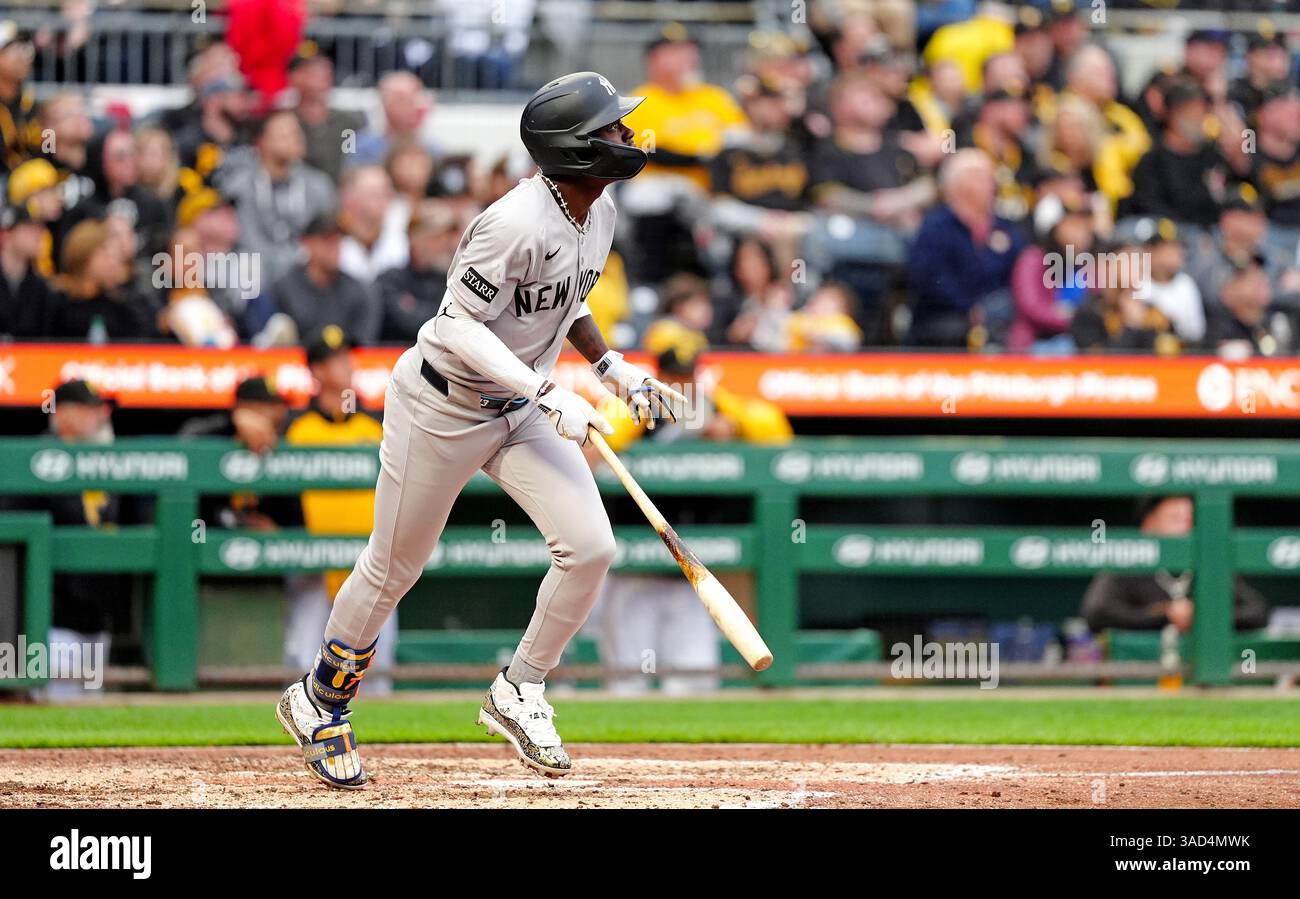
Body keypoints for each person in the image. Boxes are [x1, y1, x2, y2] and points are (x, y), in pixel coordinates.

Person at [275, 72, 686, 788]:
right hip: (444, 404)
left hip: (519, 407)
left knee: (590, 547)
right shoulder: (513, 220)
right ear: (575, 150)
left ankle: (520, 685)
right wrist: (547, 388)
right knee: (394, 566)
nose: (625, 137)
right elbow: (458, 325)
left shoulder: (600, 209)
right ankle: (320, 699)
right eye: (611, 129)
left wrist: (613, 367)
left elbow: (564, 302)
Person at [591, 343, 792, 695]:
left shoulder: (714, 405)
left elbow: (777, 438)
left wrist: (730, 425)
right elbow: (593, 448)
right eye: (674, 377)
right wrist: (637, 423)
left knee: (694, 684)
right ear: (660, 375)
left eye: (688, 376)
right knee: (626, 683)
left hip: (695, 579)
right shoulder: (635, 404)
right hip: (634, 571)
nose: (682, 384)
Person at [283, 326, 396, 691]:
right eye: (334, 359)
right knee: (302, 665)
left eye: (348, 356)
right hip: (314, 565)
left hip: (370, 567)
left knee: (376, 676)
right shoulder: (295, 427)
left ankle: (383, 747)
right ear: (316, 370)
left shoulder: (376, 424)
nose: (346, 365)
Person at [1082, 496, 1269, 634]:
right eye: (1175, 519)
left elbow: (1258, 611)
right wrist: (1166, 615)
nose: (1184, 528)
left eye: (1189, 520)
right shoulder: (1127, 563)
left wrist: (1201, 617)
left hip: (1198, 670)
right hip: (1140, 669)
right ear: (1149, 524)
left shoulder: (1208, 564)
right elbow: (1097, 613)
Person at [908, 149, 1026, 348]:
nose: (992, 185)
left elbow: (1022, 268)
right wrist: (969, 308)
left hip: (1001, 312)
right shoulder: (936, 227)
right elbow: (929, 278)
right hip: (947, 317)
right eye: (982, 178)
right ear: (958, 185)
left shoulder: (1005, 228)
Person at [253, 213, 379, 345]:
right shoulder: (284, 289)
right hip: (294, 363)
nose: (335, 247)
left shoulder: (357, 292)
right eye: (327, 240)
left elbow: (363, 345)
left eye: (338, 240)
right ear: (306, 242)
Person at [1201, 255, 1286, 358]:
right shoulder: (1215, 327)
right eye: (1247, 277)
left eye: (1260, 274)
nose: (1259, 279)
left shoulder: (1277, 322)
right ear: (1228, 290)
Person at [0, 202, 52, 337]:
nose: (39, 235)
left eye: (40, 229)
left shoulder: (42, 289)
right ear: (6, 235)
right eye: (30, 228)